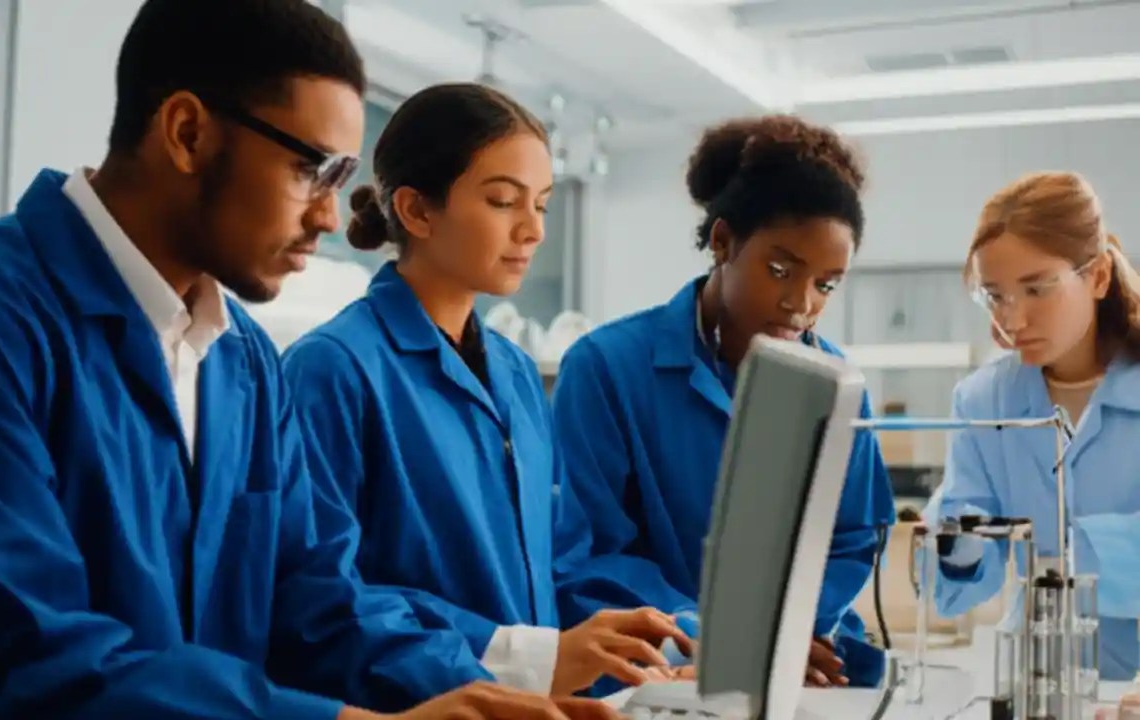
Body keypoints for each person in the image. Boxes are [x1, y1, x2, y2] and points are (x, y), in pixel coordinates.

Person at [0, 2, 621, 719]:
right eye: (310, 170)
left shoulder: (243, 361)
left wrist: (482, 695)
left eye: (340, 180)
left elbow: (316, 600)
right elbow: (22, 654)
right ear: (188, 132)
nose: (330, 215)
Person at [281, 82, 693, 700]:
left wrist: (657, 644)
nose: (533, 232)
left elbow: (543, 573)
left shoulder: (517, 374)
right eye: (504, 201)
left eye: (544, 206)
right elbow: (325, 604)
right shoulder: (332, 370)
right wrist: (530, 658)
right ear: (419, 211)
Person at [550, 116, 897, 689]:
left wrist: (789, 637)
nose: (801, 304)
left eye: (826, 284)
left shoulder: (835, 381)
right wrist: (710, 636)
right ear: (722, 241)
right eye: (781, 269)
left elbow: (854, 537)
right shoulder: (605, 368)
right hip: (657, 669)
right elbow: (590, 551)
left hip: (802, 667)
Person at [926, 171, 1140, 681]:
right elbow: (960, 584)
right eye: (995, 296)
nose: (1013, 319)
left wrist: (1063, 552)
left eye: (1036, 289)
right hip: (1037, 677)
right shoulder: (983, 399)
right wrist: (957, 544)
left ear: (1099, 276)